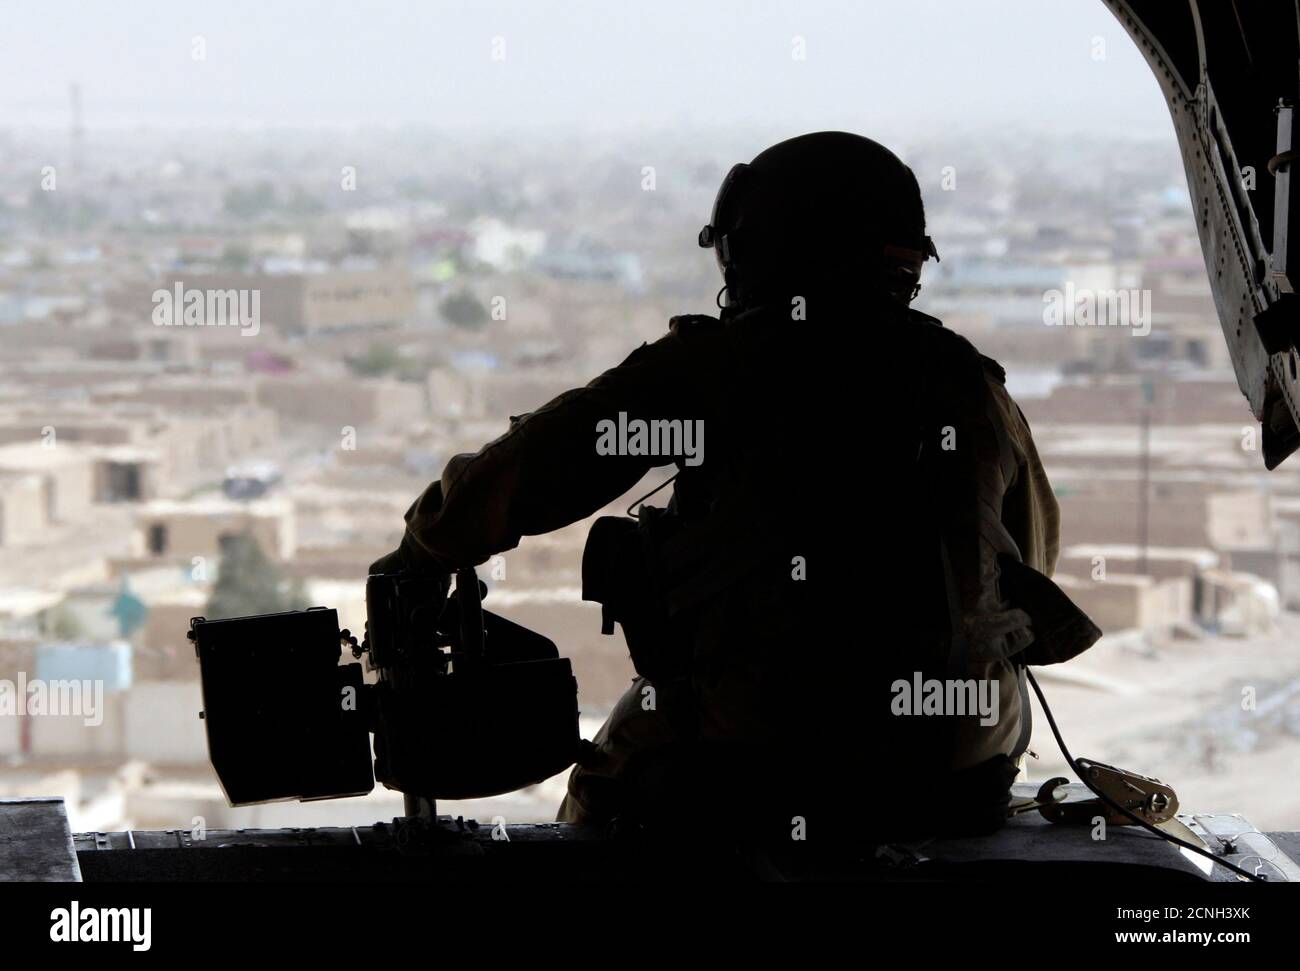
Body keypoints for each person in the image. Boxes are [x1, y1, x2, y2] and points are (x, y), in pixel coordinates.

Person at [370, 131, 1095, 841]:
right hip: (960, 764)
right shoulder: (968, 382)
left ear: (757, 251)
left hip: (763, 756)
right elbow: (1028, 560)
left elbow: (535, 469)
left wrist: (424, 548)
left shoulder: (726, 368)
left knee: (607, 778)